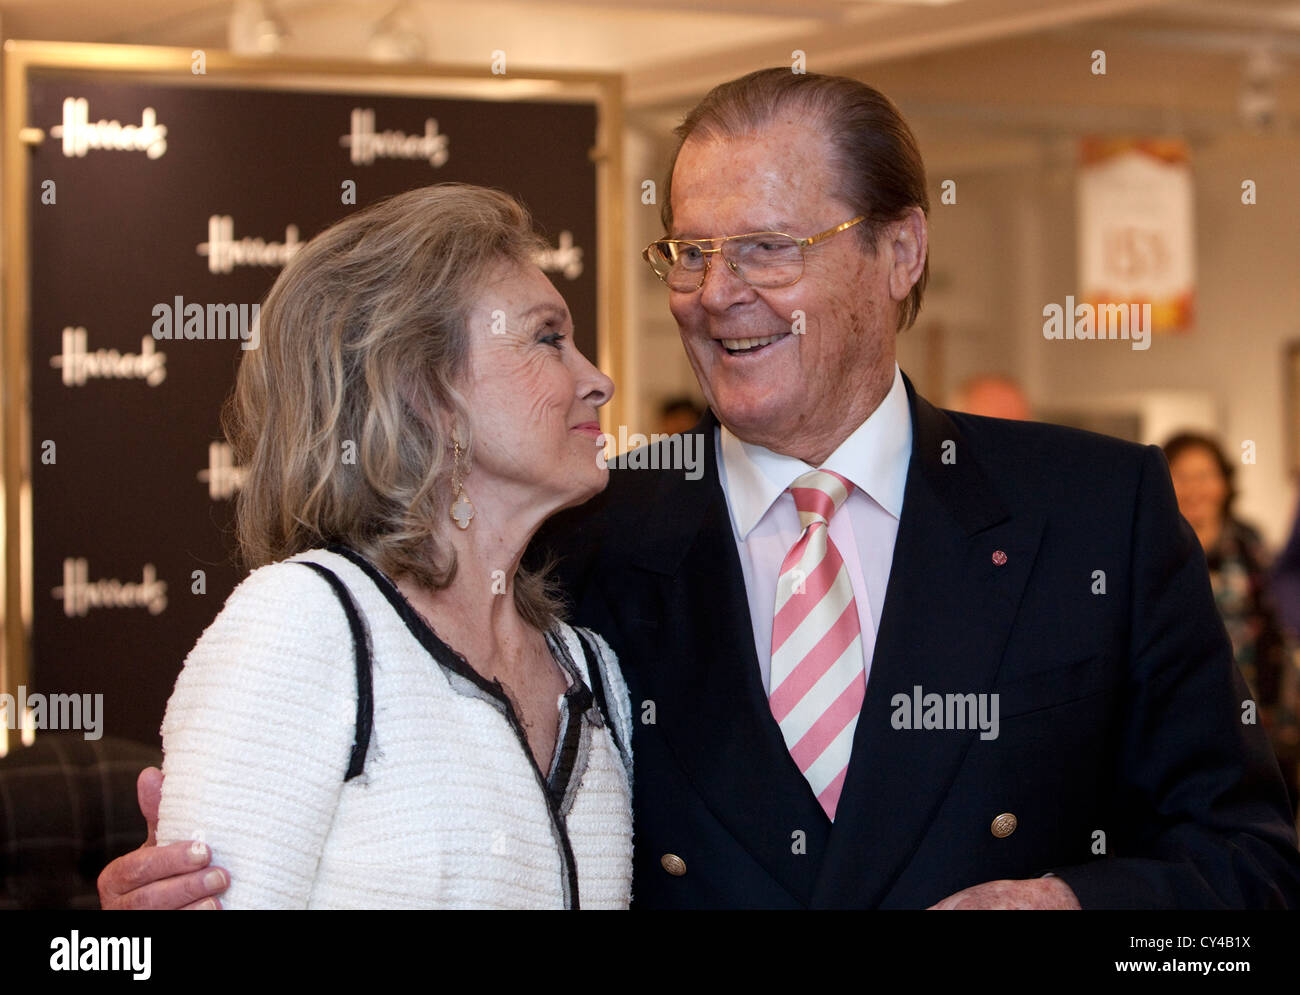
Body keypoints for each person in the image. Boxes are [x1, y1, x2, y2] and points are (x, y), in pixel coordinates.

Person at [101, 69, 1300, 910]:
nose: (713, 293)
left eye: (767, 247)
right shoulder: (579, 541)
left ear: (899, 254)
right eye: (687, 250)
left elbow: (1252, 861)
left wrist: (1076, 907)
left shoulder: (1097, 511)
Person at [114, 184, 631, 908]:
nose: (598, 380)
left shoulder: (589, 669)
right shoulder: (302, 624)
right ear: (422, 386)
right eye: (548, 338)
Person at [1164, 431, 1300, 810]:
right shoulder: (1155, 546)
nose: (1195, 488)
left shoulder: (1248, 542)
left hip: (1254, 707)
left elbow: (1276, 622)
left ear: (1224, 483)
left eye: (1205, 475)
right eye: (1182, 475)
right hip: (1181, 712)